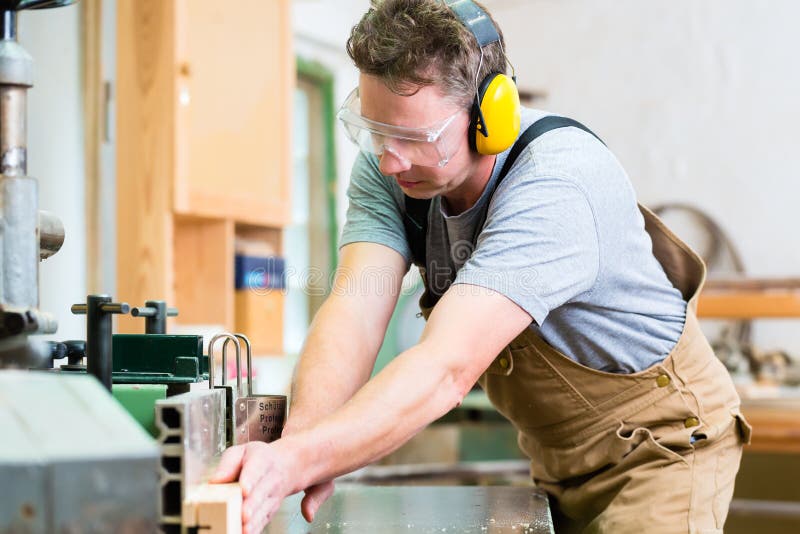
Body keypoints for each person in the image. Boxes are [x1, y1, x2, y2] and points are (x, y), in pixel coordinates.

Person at [211, 1, 751, 532]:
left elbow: (446, 368)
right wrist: (300, 447)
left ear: (489, 117)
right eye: (374, 129)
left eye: (416, 138)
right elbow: (354, 305)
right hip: (558, 458)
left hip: (664, 446)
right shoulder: (391, 170)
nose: (390, 158)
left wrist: (300, 461)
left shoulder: (555, 185)